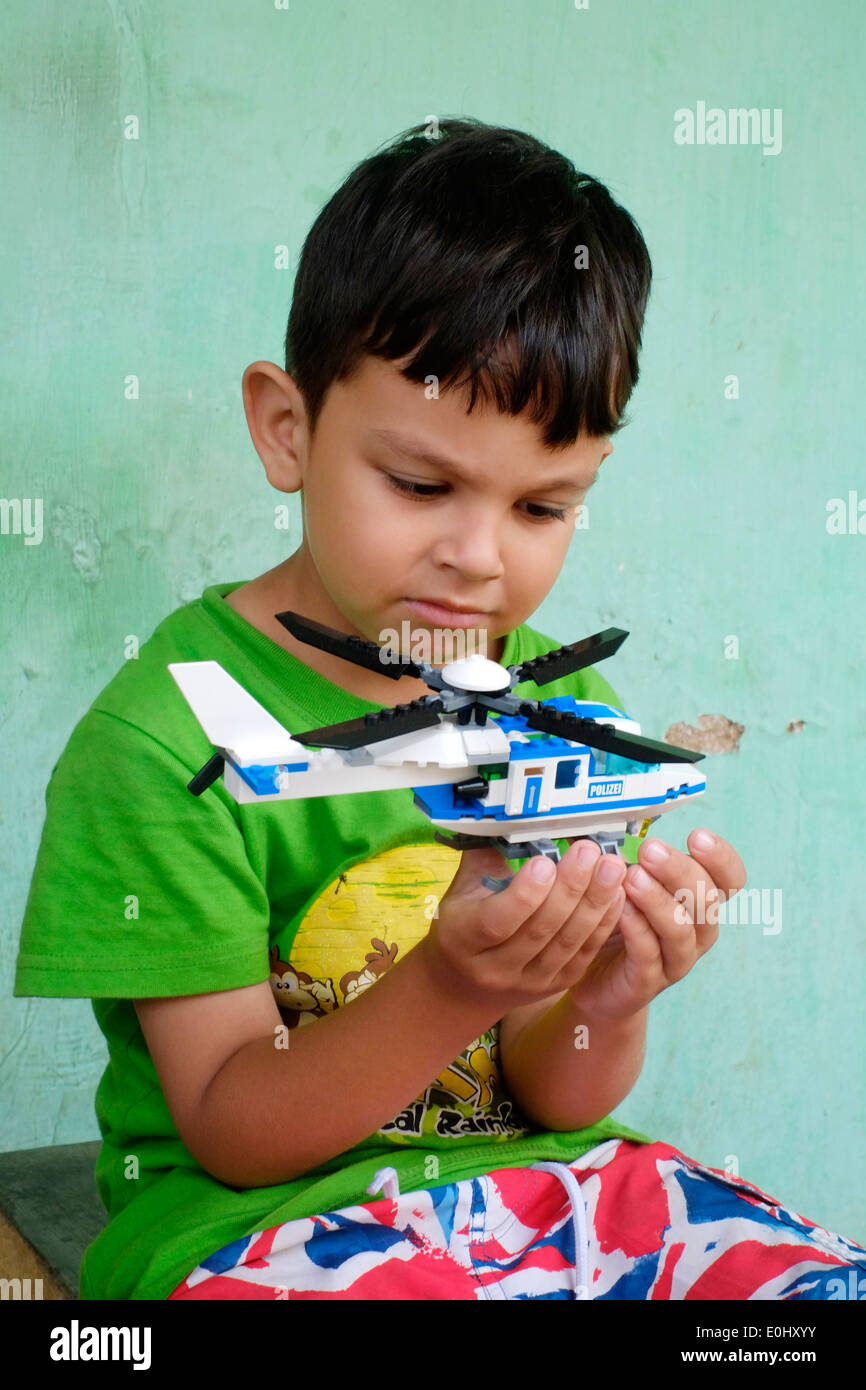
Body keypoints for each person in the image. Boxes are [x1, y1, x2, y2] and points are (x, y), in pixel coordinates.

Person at [14, 118, 866, 1301]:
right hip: (263, 1227)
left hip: (541, 1194)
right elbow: (228, 1126)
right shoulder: (167, 742)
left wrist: (609, 1000)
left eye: (542, 507)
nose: (476, 558)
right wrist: (447, 988)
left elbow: (555, 1085)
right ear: (288, 427)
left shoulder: (568, 711)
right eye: (420, 484)